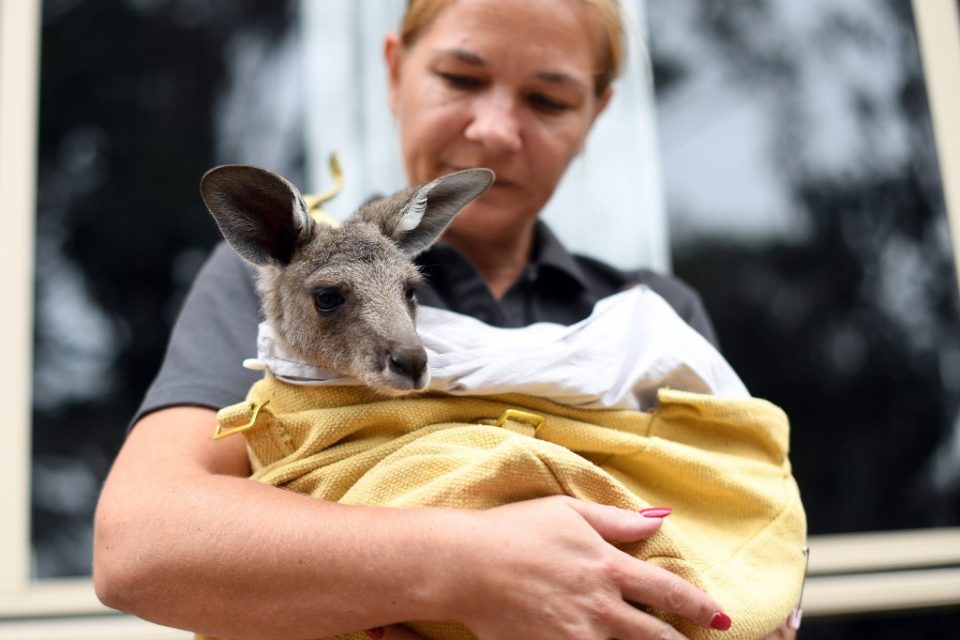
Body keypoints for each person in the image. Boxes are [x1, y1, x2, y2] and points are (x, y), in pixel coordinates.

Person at [93, 1, 797, 638]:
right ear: (396, 75)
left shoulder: (648, 317)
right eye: (461, 79)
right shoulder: (283, 289)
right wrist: (466, 564)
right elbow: (138, 546)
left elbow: (737, 510)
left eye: (548, 99)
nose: (493, 131)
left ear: (595, 114)